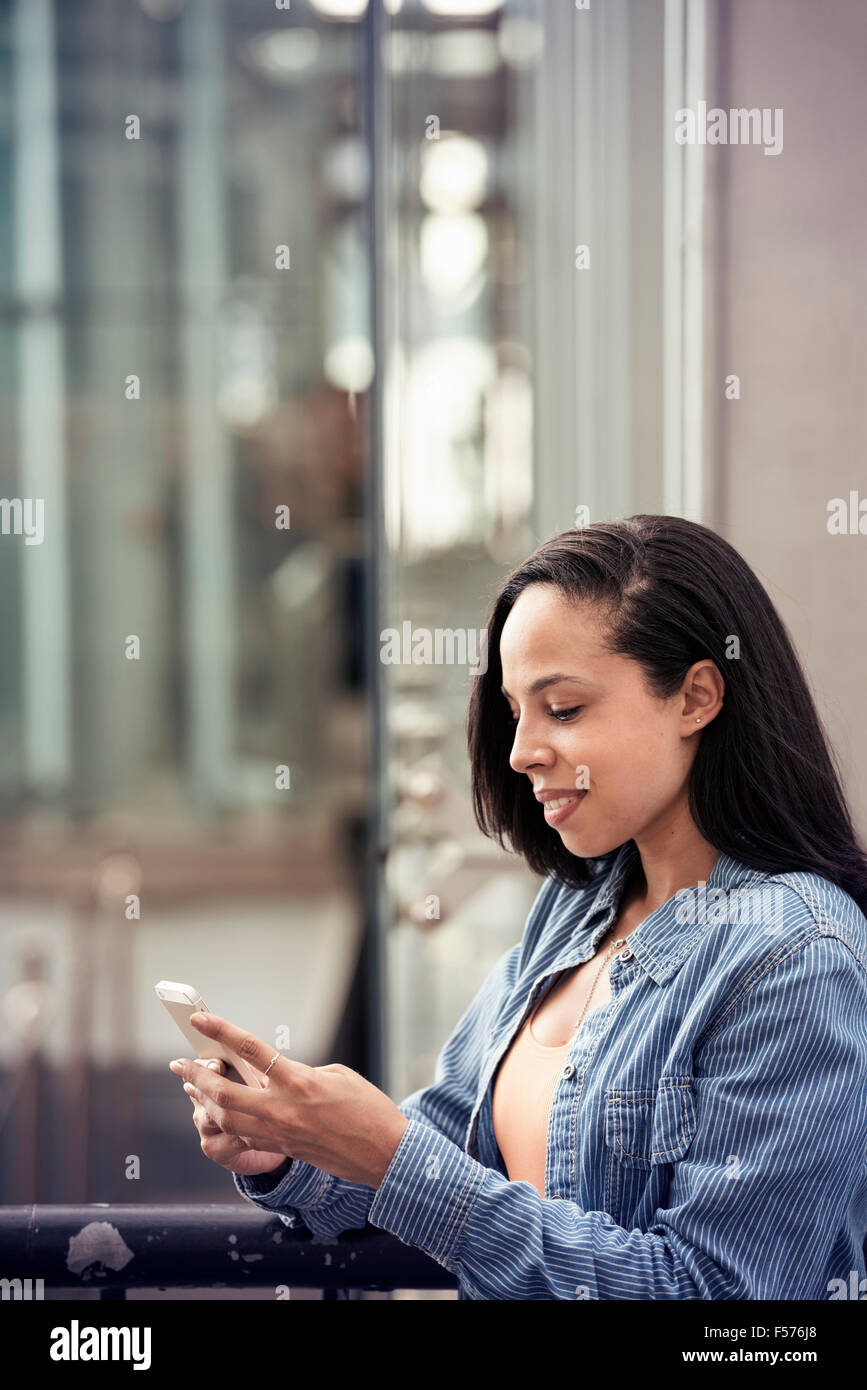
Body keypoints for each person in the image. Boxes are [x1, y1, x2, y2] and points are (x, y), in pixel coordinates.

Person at [170, 514, 867, 1300]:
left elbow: (725, 1309)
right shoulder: (572, 911)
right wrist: (290, 1149)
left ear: (696, 697)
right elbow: (441, 1164)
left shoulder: (793, 955)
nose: (520, 750)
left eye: (562, 708)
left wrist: (397, 1158)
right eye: (513, 712)